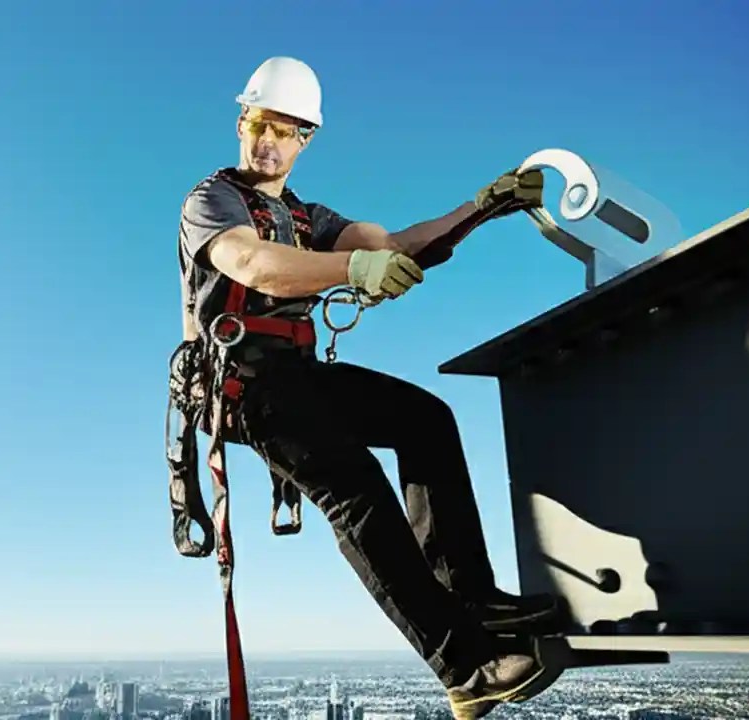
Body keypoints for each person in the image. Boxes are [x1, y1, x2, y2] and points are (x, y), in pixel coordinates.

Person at [175, 56, 564, 719]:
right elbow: (254, 263)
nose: (269, 142)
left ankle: (469, 593)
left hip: (296, 378)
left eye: (288, 130)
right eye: (261, 124)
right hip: (246, 389)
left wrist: (481, 209)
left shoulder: (306, 214)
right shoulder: (213, 202)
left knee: (425, 420)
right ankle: (464, 667)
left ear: (306, 140)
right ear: (243, 122)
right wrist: (352, 266)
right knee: (355, 490)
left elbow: (395, 242)